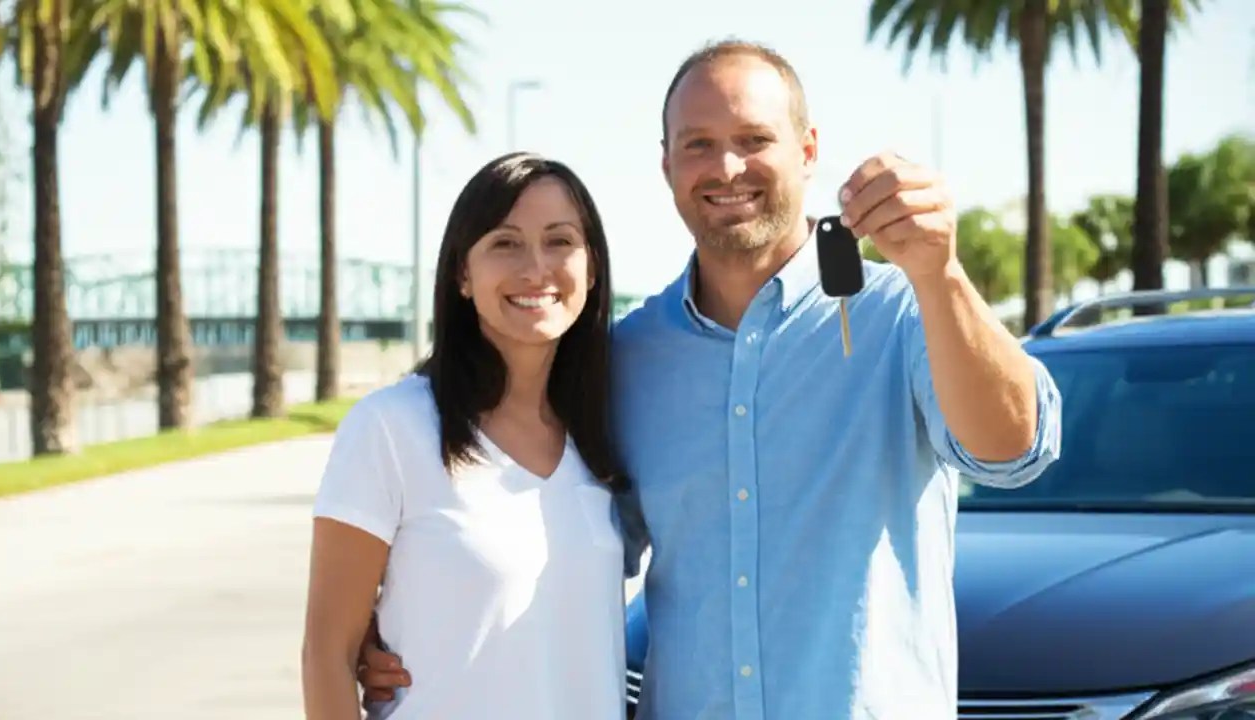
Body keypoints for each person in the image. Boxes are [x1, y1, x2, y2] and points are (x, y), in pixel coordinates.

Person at [359, 40, 1063, 719]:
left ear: (808, 151)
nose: (726, 166)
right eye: (697, 143)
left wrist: (939, 272)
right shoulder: (626, 357)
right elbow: (563, 551)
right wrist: (392, 620)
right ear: (666, 165)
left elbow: (1011, 450)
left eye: (754, 139)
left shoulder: (902, 311)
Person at [301, 152, 629, 720]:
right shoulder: (392, 427)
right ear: (461, 273)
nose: (535, 269)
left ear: (592, 268)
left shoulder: (606, 430)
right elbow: (326, 654)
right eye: (505, 243)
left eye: (560, 241)